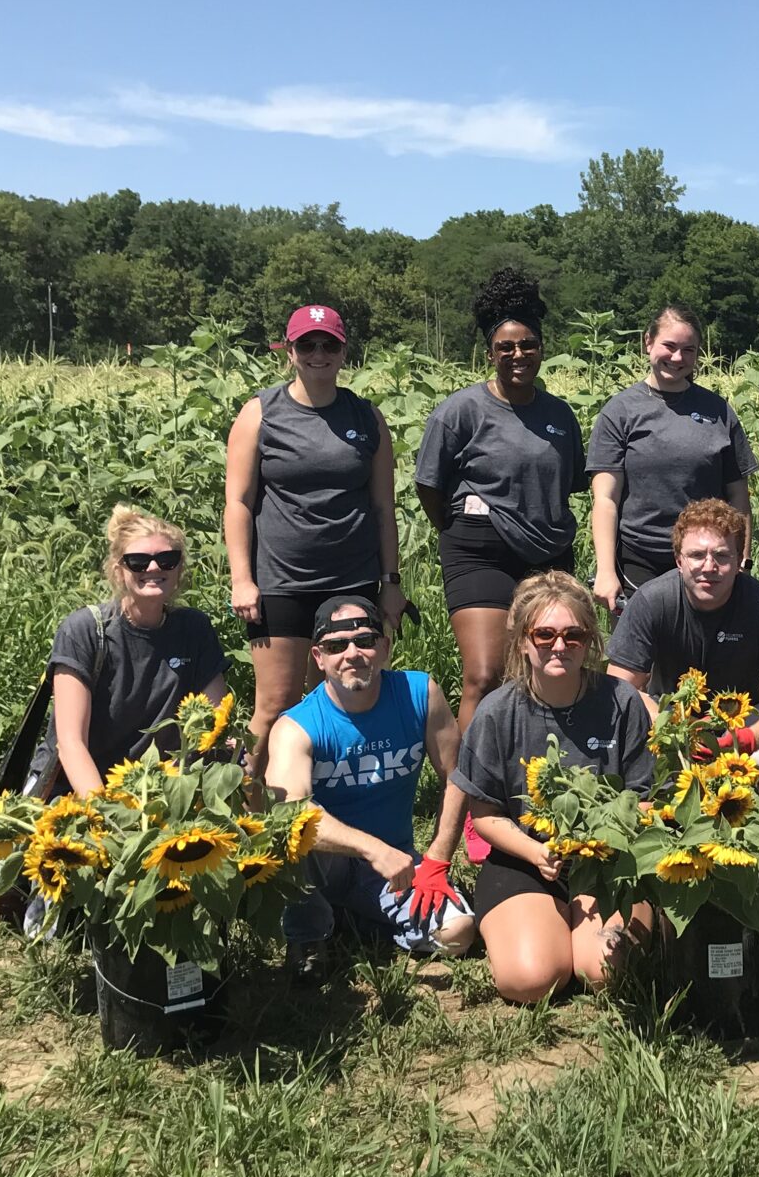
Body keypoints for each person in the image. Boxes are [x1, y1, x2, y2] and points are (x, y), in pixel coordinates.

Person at [416, 269, 586, 859]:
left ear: (542, 347)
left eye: (527, 345)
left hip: (547, 550)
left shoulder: (560, 415)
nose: (517, 355)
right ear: (489, 351)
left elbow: (569, 481)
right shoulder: (459, 412)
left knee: (547, 673)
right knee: (486, 676)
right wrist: (469, 526)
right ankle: (470, 809)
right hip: (479, 545)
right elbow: (430, 489)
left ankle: (539, 791)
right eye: (504, 347)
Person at [225, 304, 403, 789]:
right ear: (289, 351)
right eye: (307, 344)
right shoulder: (261, 413)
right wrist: (242, 578)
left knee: (338, 696)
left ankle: (321, 801)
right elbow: (239, 502)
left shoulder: (366, 417)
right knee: (275, 703)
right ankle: (248, 807)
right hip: (281, 581)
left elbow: (384, 506)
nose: (319, 354)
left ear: (345, 351)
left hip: (352, 581)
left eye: (329, 344)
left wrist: (391, 583)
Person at [456, 573, 656, 1004]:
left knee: (604, 971)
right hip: (523, 859)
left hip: (609, 859)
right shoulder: (496, 714)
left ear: (590, 641)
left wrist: (601, 841)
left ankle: (581, 933)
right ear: (523, 642)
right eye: (544, 634)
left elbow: (643, 798)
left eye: (573, 635)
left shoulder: (622, 702)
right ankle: (543, 928)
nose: (559, 646)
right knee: (530, 981)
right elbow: (485, 814)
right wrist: (536, 853)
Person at [265, 597, 477, 982]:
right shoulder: (296, 726)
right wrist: (372, 849)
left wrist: (437, 859)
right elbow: (289, 814)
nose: (352, 654)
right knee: (293, 838)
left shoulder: (420, 694)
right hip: (324, 863)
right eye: (335, 646)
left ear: (385, 647)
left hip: (392, 863)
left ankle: (355, 916)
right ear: (318, 657)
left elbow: (455, 776)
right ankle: (308, 935)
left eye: (364, 640)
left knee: (457, 933)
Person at [29, 504, 227, 796]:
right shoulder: (85, 630)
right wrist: (105, 816)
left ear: (179, 568)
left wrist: (170, 793)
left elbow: (212, 725)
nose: (153, 568)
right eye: (138, 561)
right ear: (119, 571)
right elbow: (70, 743)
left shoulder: (195, 630)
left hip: (161, 787)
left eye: (167, 559)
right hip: (76, 788)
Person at [590, 304, 757, 612]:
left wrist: (742, 560)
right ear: (648, 342)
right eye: (669, 346)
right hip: (640, 558)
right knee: (641, 658)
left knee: (707, 658)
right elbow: (605, 499)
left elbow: (738, 497)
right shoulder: (620, 412)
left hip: (708, 561)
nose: (678, 358)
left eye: (688, 350)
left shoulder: (717, 411)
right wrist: (605, 570)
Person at [605, 499, 759, 745]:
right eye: (696, 555)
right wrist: (674, 731)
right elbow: (619, 686)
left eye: (722, 556)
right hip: (670, 717)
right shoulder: (651, 601)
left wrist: (749, 739)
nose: (709, 566)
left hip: (746, 719)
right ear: (679, 561)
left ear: (738, 562)